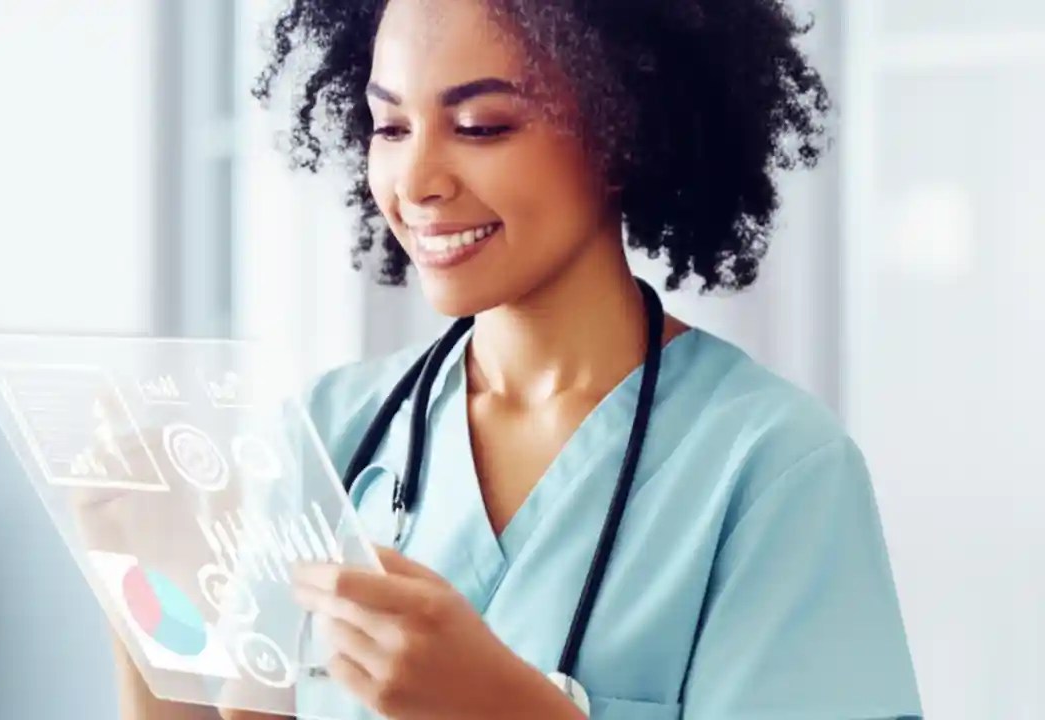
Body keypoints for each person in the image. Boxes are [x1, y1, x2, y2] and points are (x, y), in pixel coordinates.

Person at [119, 0, 924, 717]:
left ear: (624, 132)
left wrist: (505, 710)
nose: (418, 180)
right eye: (391, 126)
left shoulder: (772, 469)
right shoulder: (332, 431)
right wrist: (145, 595)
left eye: (481, 127)